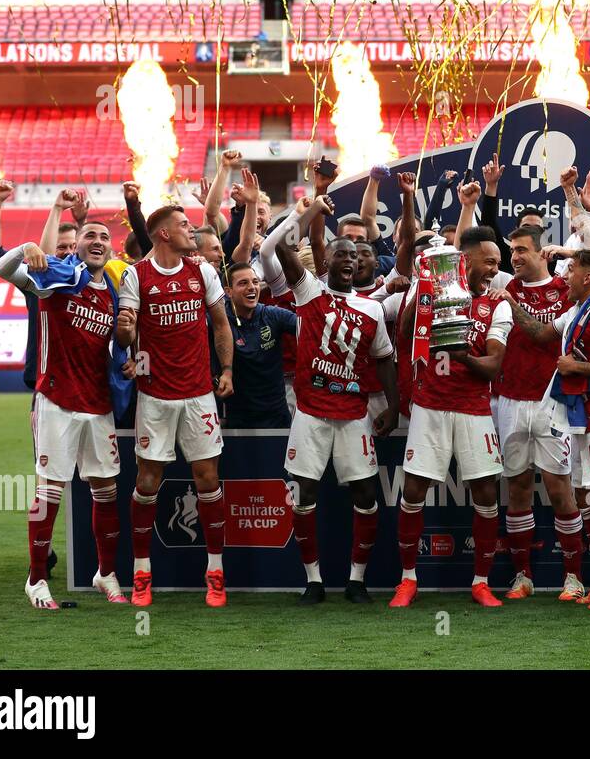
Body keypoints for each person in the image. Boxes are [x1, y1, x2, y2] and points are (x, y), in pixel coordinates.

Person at [264, 195, 399, 604]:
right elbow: (282, 247)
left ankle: (356, 581)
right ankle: (314, 580)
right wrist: (308, 211)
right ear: (326, 263)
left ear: (361, 266)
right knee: (304, 494)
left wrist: (393, 407)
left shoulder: (372, 309)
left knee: (365, 496)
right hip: (311, 412)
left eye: (355, 256)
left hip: (354, 412)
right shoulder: (308, 292)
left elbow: (385, 360)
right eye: (340, 253)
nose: (349, 260)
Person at [0, 220, 124, 610]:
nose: (97, 242)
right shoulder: (57, 276)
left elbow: (117, 350)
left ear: (111, 249)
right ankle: (36, 579)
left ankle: (105, 572)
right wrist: (26, 247)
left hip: (98, 405)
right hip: (57, 400)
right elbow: (3, 269)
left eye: (104, 237)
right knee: (48, 493)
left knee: (106, 492)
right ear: (77, 246)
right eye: (90, 236)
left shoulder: (114, 294)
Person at [495, 248, 590, 610]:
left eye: (571, 271)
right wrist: (510, 301)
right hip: (581, 416)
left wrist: (574, 366)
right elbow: (541, 333)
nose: (565, 277)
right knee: (589, 500)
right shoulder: (579, 311)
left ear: (588, 278)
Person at [116, 205, 235, 608]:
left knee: (207, 479)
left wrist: (228, 369)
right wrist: (127, 335)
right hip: (154, 397)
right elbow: (126, 330)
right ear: (164, 234)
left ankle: (215, 571)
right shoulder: (137, 275)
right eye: (184, 225)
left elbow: (220, 323)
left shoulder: (202, 271)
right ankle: (141, 572)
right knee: (147, 482)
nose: (191, 230)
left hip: (198, 394)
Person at [393, 228, 513, 608]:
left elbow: (493, 366)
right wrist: (424, 285)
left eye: (498, 262)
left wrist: (462, 356)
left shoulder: (497, 305)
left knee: (486, 494)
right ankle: (407, 579)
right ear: (466, 259)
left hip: (474, 409)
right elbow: (406, 334)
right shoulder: (427, 288)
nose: (495, 269)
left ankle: (480, 582)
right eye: (489, 261)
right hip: (430, 405)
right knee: (413, 492)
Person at [492, 224, 584, 601]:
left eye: (521, 251)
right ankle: (522, 576)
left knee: (560, 488)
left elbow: (545, 334)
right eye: (511, 251)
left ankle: (574, 577)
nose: (514, 257)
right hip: (510, 400)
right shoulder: (505, 287)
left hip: (552, 402)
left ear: (540, 253)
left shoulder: (565, 290)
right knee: (517, 488)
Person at [220, 262, 295, 430]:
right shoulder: (219, 323)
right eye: (243, 283)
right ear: (228, 292)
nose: (252, 287)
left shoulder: (273, 315)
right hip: (239, 421)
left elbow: (309, 328)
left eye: (255, 282)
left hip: (277, 418)